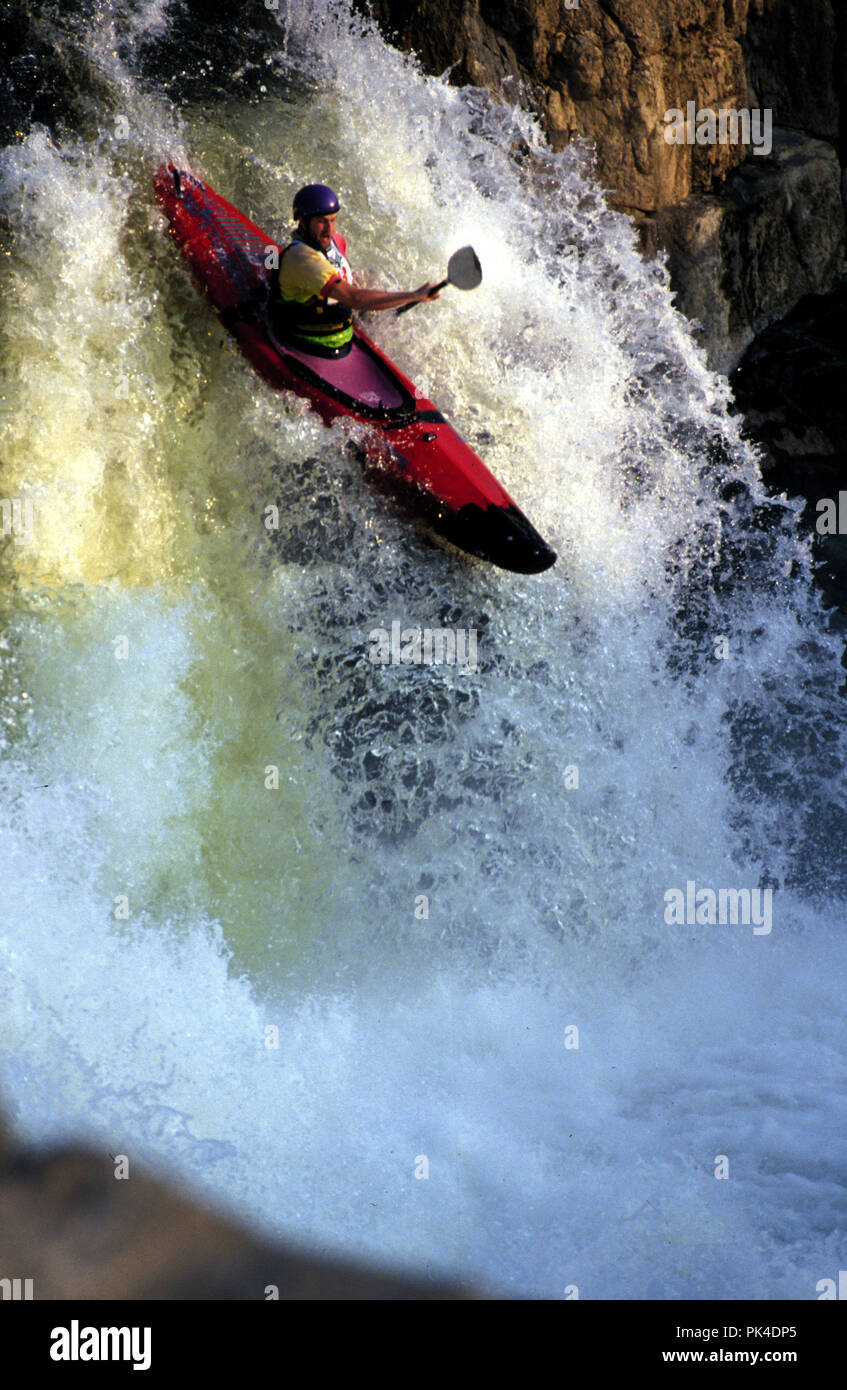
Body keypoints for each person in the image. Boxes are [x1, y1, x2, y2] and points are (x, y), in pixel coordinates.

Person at [268, 183, 440, 357]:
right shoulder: (302, 259)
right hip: (309, 347)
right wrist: (413, 295)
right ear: (303, 222)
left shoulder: (334, 240)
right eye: (321, 222)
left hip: (343, 344)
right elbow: (354, 298)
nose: (329, 230)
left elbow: (346, 276)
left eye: (333, 220)